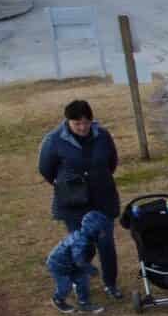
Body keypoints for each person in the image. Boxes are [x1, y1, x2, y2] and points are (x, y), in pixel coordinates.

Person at [38, 99, 123, 301]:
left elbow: (112, 162)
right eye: (77, 124)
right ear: (68, 121)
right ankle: (79, 282)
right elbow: (46, 169)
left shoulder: (103, 136)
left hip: (102, 200)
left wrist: (98, 178)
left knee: (106, 244)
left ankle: (111, 284)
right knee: (81, 246)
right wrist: (68, 185)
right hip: (74, 204)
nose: (83, 128)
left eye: (86, 123)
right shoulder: (54, 140)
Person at [47, 210, 111, 315]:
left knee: (82, 281)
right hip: (59, 265)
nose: (103, 235)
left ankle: (84, 303)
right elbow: (79, 261)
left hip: (73, 264)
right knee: (65, 286)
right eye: (101, 232)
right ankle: (58, 299)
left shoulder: (86, 238)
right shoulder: (80, 243)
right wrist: (90, 269)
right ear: (93, 231)